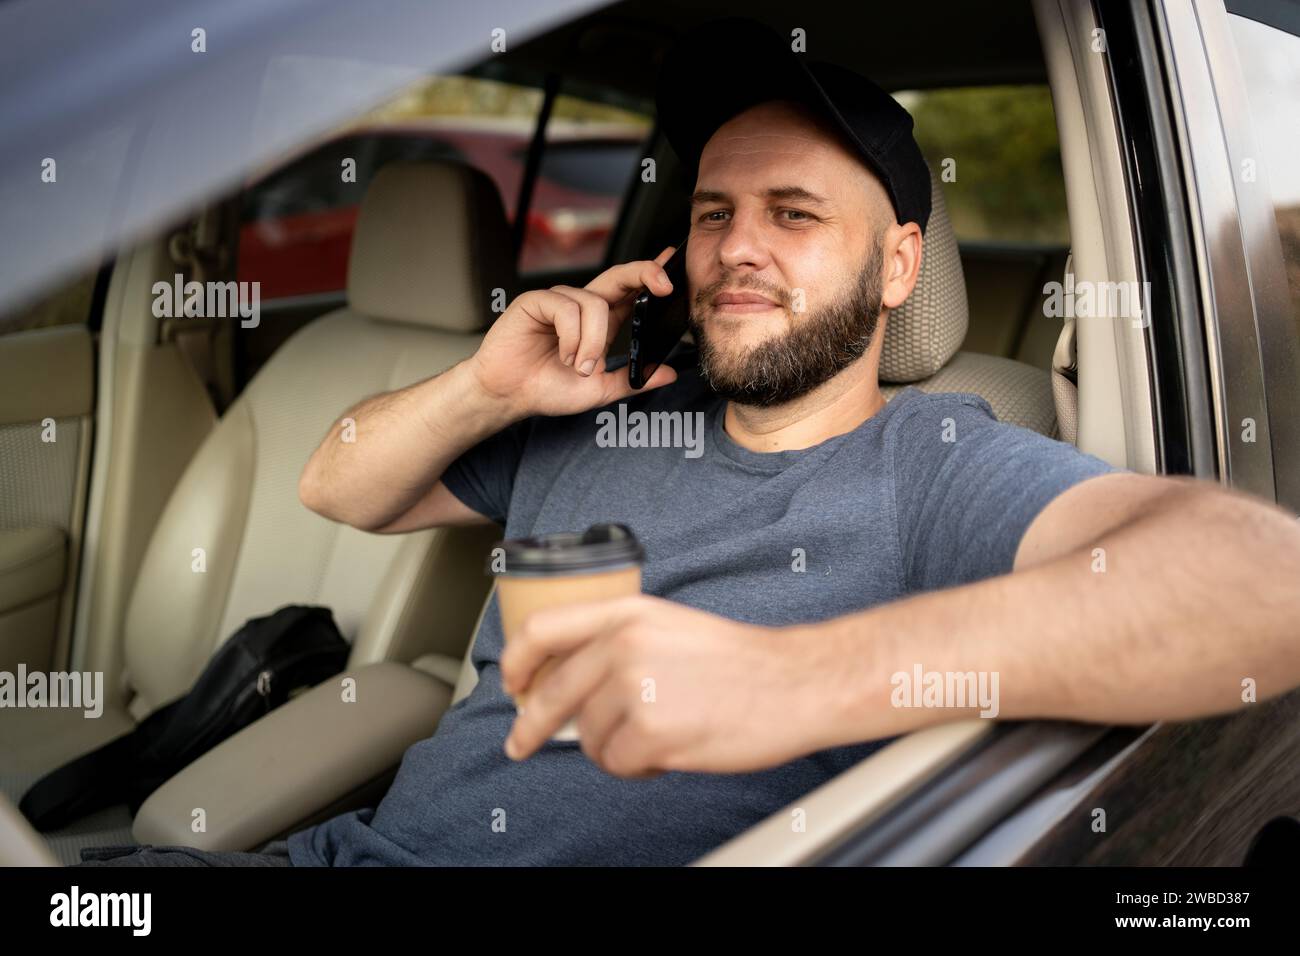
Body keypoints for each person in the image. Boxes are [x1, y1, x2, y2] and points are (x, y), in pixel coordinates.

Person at [79, 18, 1300, 867]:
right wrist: (484, 381)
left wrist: (790, 678)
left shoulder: (933, 460)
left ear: (898, 267)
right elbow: (335, 484)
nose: (737, 247)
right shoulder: (598, 407)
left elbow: (1257, 583)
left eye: (795, 213)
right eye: (714, 211)